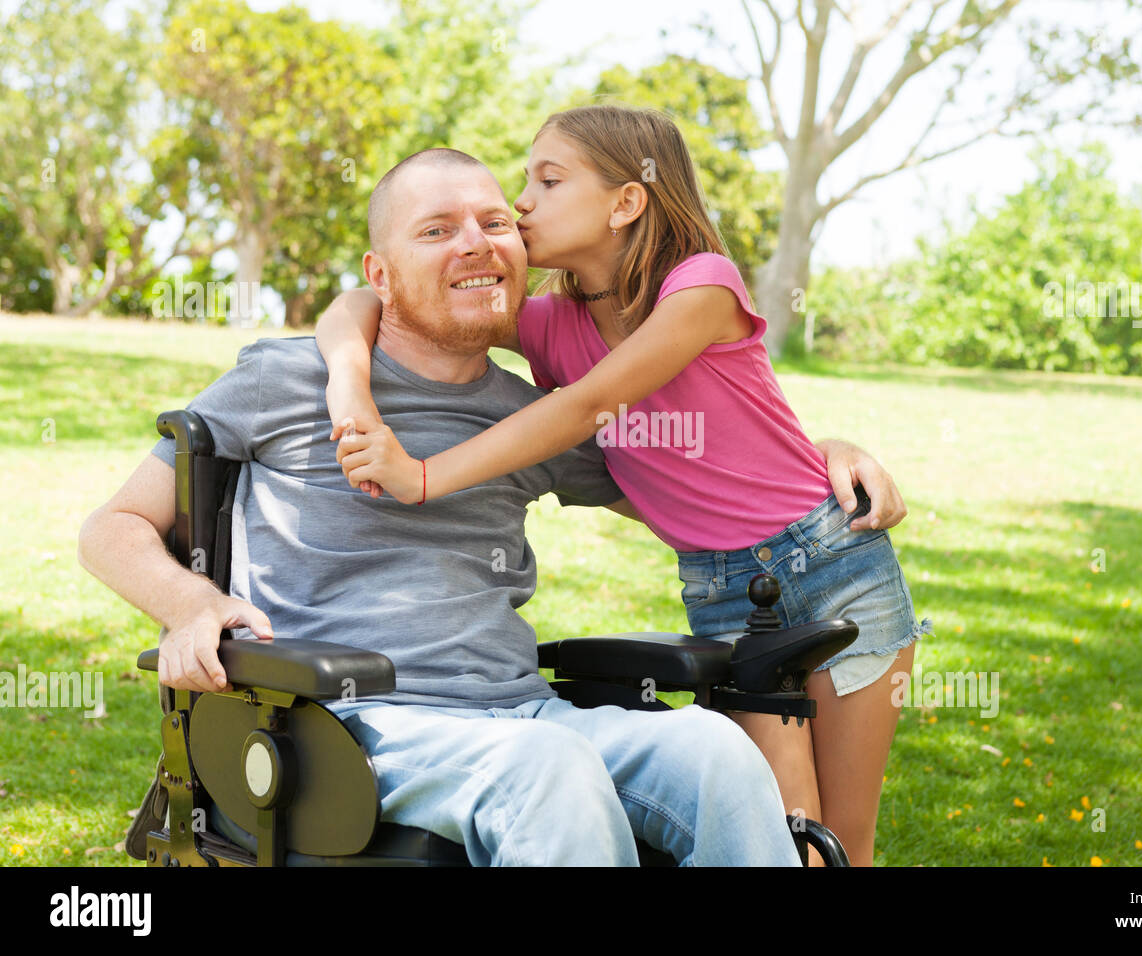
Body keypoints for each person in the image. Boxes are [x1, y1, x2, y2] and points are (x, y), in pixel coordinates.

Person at [78, 147, 884, 866]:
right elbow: (112, 527)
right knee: (550, 773)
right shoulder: (287, 381)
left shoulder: (532, 416)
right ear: (380, 274)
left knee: (714, 750)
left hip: (520, 712)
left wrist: (828, 458)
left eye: (495, 221)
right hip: (352, 722)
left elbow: (701, 479)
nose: (475, 241)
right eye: (436, 230)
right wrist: (191, 604)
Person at [314, 105, 931, 866]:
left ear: (626, 201)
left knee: (847, 845)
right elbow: (367, 301)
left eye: (548, 179)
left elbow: (586, 406)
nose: (522, 203)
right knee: (788, 833)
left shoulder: (701, 286)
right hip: (728, 592)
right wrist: (349, 387)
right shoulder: (548, 325)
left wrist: (422, 476)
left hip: (833, 564)